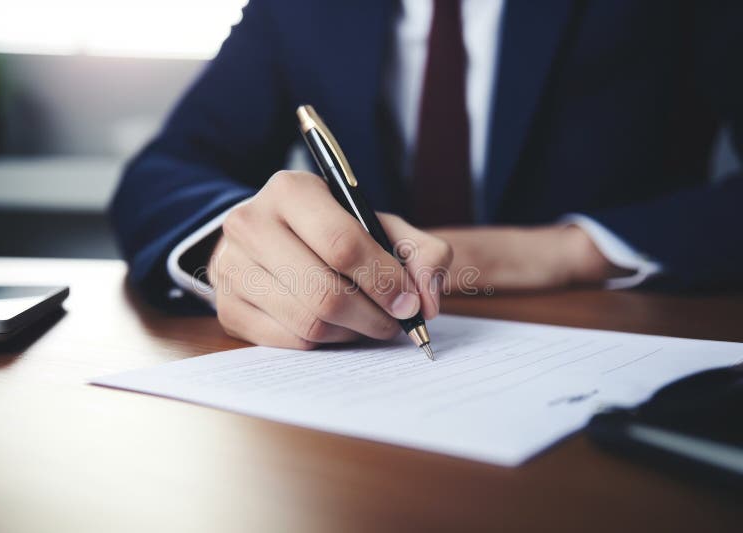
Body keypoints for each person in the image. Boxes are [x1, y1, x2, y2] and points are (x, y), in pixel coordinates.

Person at [111, 0, 743, 349]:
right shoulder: (298, 10)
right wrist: (228, 246)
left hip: (634, 342)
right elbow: (165, 171)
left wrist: (569, 252)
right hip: (371, 372)